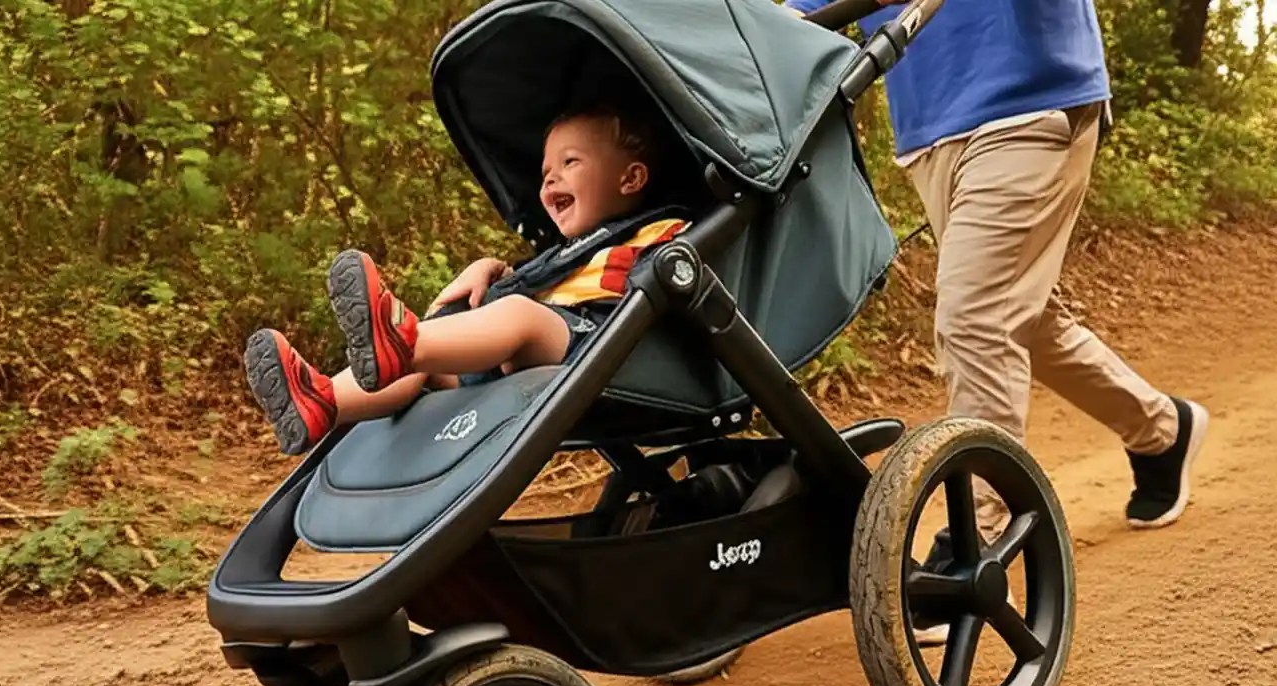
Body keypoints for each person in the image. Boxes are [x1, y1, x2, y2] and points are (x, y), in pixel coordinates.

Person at [786, 0, 1210, 638]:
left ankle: (977, 540)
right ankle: (1161, 429)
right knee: (1024, 316)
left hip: (1031, 101)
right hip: (932, 126)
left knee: (978, 317)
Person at [242, 103, 687, 455]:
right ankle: (324, 402)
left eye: (570, 162)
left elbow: (681, 281)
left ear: (631, 178)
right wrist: (487, 269)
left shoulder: (666, 232)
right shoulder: (569, 254)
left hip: (606, 347)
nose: (550, 176)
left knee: (517, 315)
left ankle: (403, 344)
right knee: (427, 368)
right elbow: (534, 284)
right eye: (545, 170)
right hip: (537, 349)